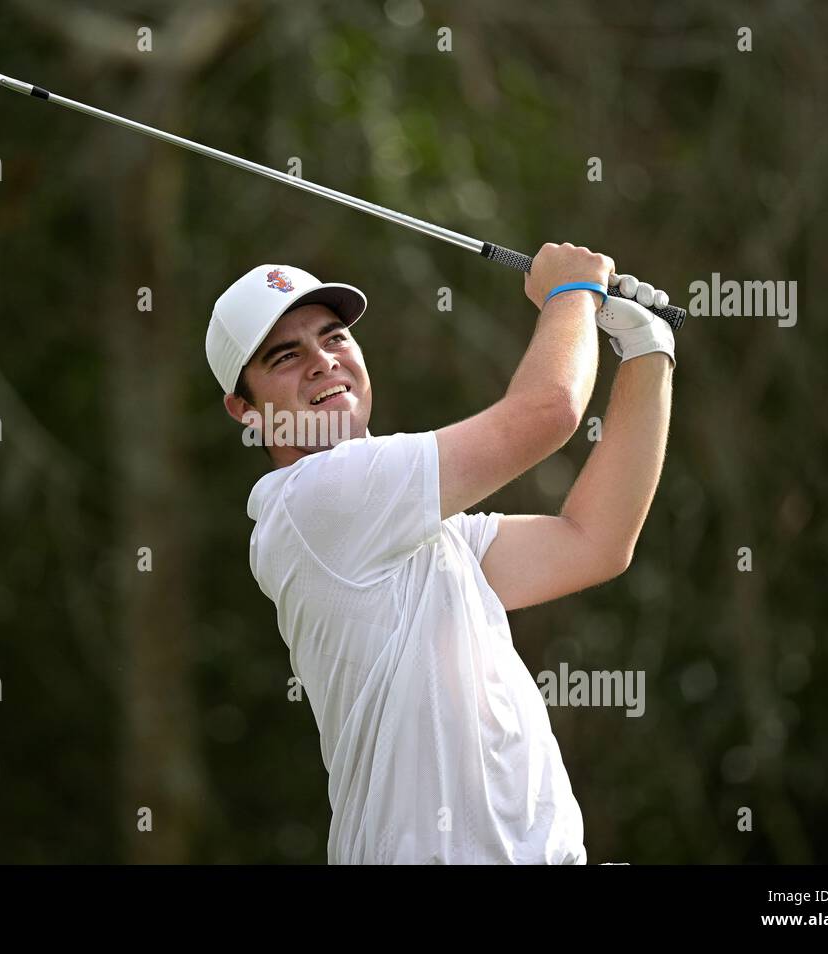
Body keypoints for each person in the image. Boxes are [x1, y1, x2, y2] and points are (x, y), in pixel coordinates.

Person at [205, 245, 675, 864]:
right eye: (285, 357)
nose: (323, 363)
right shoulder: (311, 501)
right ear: (246, 412)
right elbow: (546, 415)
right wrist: (570, 295)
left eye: (334, 337)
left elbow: (594, 541)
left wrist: (648, 355)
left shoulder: (424, 531)